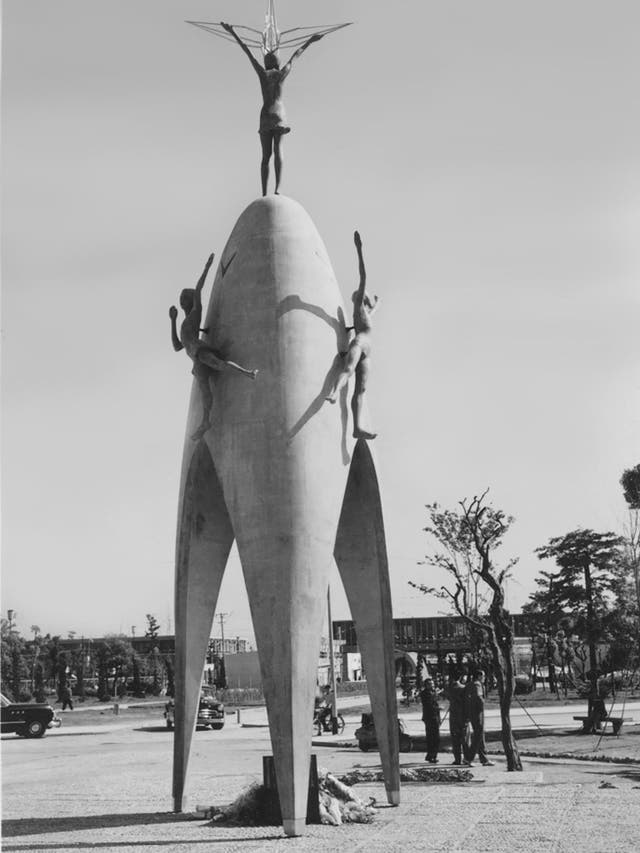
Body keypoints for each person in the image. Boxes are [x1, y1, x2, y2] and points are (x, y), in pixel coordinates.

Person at [221, 22, 324, 196]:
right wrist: (310, 41)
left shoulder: (262, 73)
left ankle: (264, 192)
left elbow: (247, 52)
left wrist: (233, 33)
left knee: (265, 157)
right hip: (278, 114)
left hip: (265, 115)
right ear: (277, 61)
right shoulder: (281, 73)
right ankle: (277, 188)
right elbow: (295, 55)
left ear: (266, 62)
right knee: (278, 152)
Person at [169, 253, 258, 440]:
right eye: (181, 300)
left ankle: (248, 372)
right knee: (205, 392)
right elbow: (177, 346)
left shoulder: (195, 313)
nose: (182, 302)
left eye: (184, 299)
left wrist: (207, 268)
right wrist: (173, 320)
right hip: (195, 359)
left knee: (220, 365)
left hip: (201, 351)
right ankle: (206, 421)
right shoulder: (184, 322)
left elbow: (199, 289)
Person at [325, 231, 379, 439]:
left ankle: (357, 428)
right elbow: (363, 276)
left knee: (361, 390)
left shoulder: (366, 313)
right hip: (358, 343)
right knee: (348, 369)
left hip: (368, 351)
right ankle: (334, 391)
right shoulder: (357, 308)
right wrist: (359, 249)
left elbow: (373, 310)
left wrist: (377, 303)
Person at [463, 670, 494, 767]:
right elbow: (478, 697)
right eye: (483, 676)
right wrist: (482, 704)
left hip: (471, 713)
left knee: (480, 735)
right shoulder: (477, 685)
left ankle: (483, 758)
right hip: (477, 713)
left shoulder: (469, 684)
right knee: (478, 735)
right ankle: (469, 758)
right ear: (479, 676)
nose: (484, 678)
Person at [447, 674, 469, 765]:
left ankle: (457, 759)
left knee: (455, 739)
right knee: (465, 738)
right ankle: (467, 758)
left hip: (453, 716)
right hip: (463, 715)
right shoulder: (464, 688)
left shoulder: (449, 689)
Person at [420, 678, 441, 763]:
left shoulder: (432, 693)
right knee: (434, 737)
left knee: (433, 737)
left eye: (432, 684)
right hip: (430, 718)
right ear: (426, 685)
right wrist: (438, 708)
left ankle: (431, 755)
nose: (432, 685)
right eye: (430, 684)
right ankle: (432, 756)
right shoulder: (425, 694)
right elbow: (429, 706)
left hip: (434, 717)